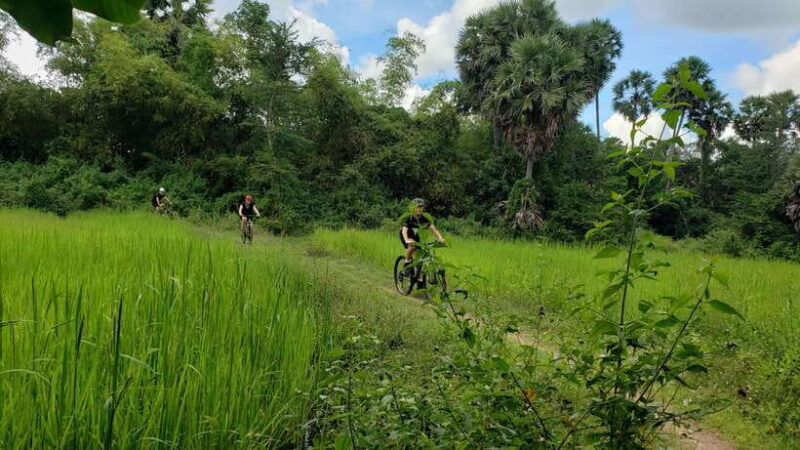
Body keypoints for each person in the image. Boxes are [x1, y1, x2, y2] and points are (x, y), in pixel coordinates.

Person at [399, 198, 445, 272]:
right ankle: (406, 263)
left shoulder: (424, 219)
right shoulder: (409, 218)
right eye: (418, 207)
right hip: (405, 235)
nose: (420, 209)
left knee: (421, 254)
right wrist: (407, 239)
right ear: (413, 208)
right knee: (412, 246)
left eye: (422, 207)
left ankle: (419, 279)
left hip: (415, 236)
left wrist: (440, 238)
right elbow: (404, 230)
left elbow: (434, 229)